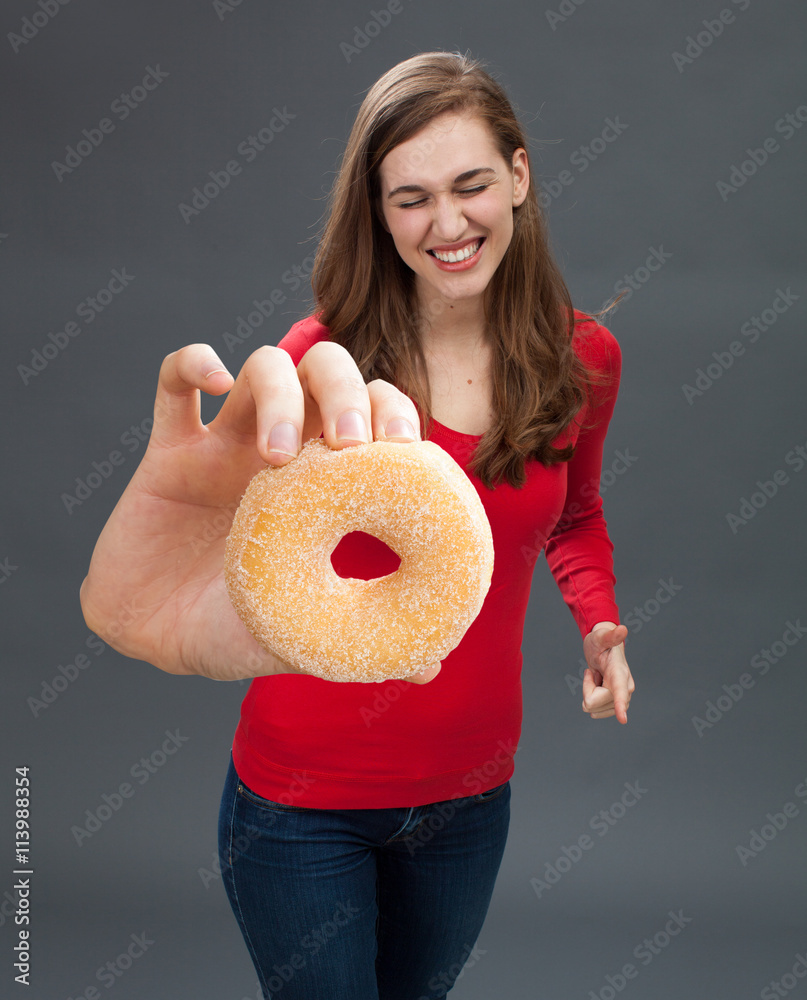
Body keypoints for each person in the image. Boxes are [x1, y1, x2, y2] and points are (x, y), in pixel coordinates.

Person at [80, 50, 635, 1000]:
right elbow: (245, 547)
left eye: (470, 185)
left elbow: (574, 515)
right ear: (378, 212)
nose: (448, 223)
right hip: (302, 804)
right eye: (410, 197)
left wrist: (598, 625)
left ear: (519, 175)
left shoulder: (581, 356)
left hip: (470, 793)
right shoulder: (320, 362)